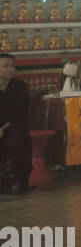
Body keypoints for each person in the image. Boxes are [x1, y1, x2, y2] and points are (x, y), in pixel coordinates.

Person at [0, 51, 32, 194]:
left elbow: (19, 112)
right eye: (6, 66)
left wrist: (3, 127)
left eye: (12, 66)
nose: (10, 69)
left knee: (16, 133)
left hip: (13, 125)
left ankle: (15, 176)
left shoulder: (19, 86)